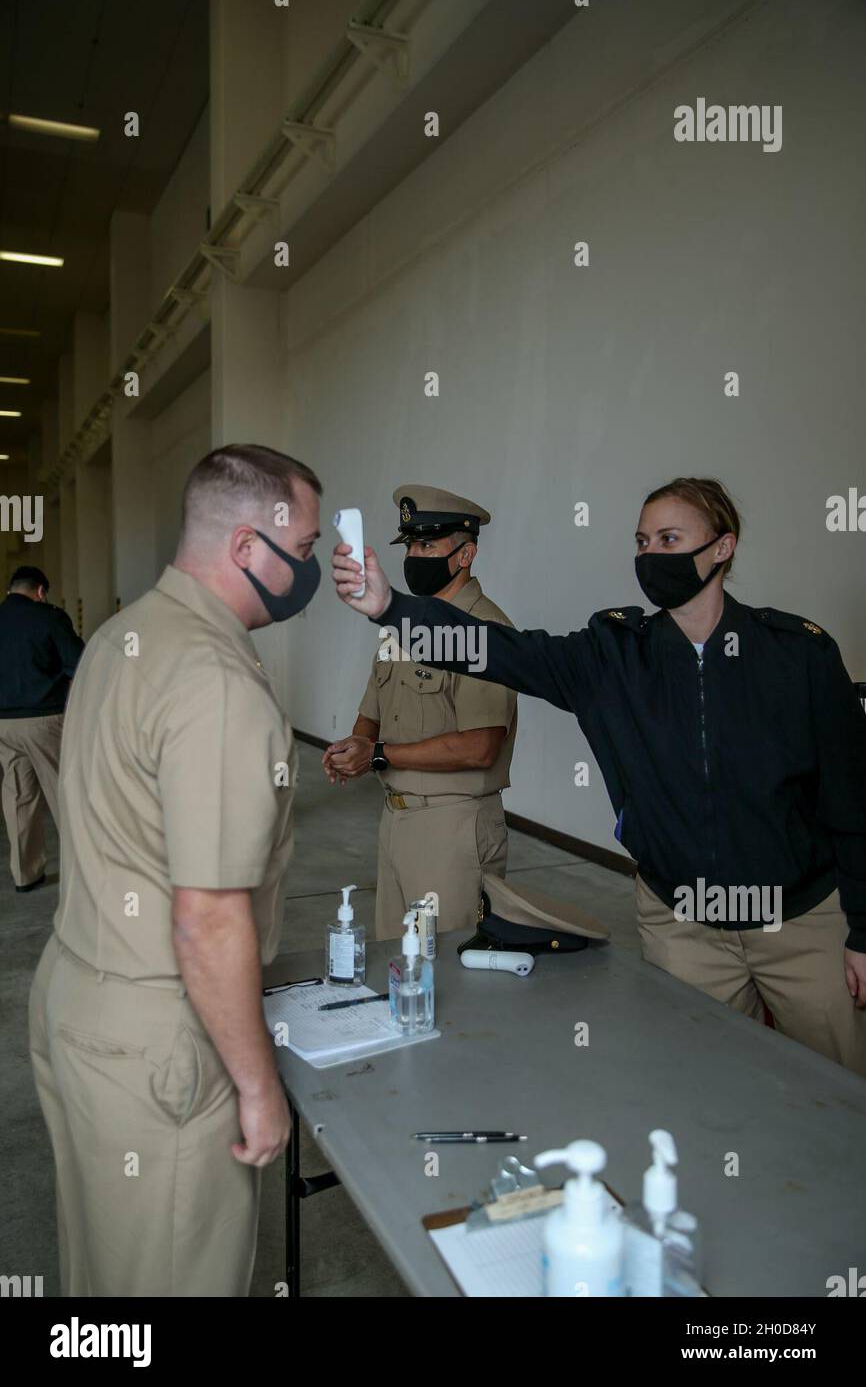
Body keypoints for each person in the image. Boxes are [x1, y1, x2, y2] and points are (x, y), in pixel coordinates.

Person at [332, 477, 866, 1076]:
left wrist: (864, 932)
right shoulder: (612, 655)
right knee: (698, 1094)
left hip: (800, 923)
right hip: (681, 924)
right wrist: (390, 608)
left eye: (670, 538)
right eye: (642, 541)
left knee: (839, 1097)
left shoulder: (798, 655)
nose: (650, 554)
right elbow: (502, 650)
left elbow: (852, 800)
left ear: (723, 547)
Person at [29, 444, 322, 1296]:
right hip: (163, 1037)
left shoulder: (122, 636)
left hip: (76, 996)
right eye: (303, 550)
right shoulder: (216, 679)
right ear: (246, 548)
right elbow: (208, 915)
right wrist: (258, 1085)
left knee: (105, 1276)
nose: (311, 570)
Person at [322, 486, 517, 939]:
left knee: (450, 976)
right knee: (393, 965)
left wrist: (379, 753)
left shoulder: (485, 631)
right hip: (396, 820)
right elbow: (372, 711)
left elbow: (480, 747)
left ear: (465, 554)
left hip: (452, 828)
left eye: (427, 544)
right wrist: (354, 749)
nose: (414, 554)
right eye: (410, 544)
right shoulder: (405, 628)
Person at [0, 565, 84, 891]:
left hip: (4, 724)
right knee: (65, 793)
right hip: (45, 720)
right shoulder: (48, 617)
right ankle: (83, 871)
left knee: (18, 797)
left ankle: (26, 874)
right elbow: (79, 661)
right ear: (40, 591)